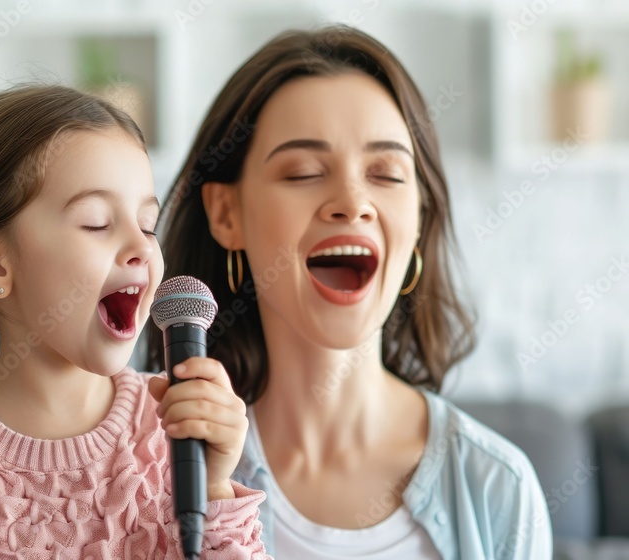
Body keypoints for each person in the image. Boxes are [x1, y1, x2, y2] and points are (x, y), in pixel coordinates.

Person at [148, 27, 551, 559]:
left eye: (386, 173)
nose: (352, 202)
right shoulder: (157, 470)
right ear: (226, 214)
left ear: (418, 220)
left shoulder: (497, 486)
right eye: (304, 172)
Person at [0, 85, 269, 558]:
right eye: (96, 223)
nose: (142, 247)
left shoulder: (171, 434)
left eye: (148, 225)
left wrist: (214, 487)